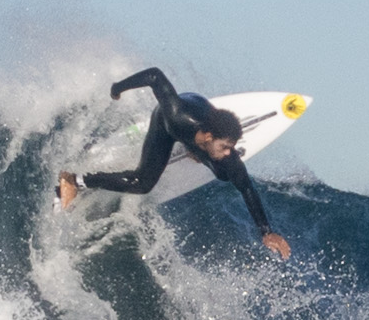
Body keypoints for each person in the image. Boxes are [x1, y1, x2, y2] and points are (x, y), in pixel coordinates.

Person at [58, 66, 293, 259]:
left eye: (230, 148)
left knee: (224, 173)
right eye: (225, 147)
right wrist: (117, 88)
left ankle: (197, 152)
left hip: (200, 134)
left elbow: (247, 188)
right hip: (166, 124)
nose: (228, 153)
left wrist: (266, 232)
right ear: (210, 137)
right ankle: (75, 180)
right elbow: (154, 76)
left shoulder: (224, 154)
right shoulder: (177, 114)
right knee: (142, 183)